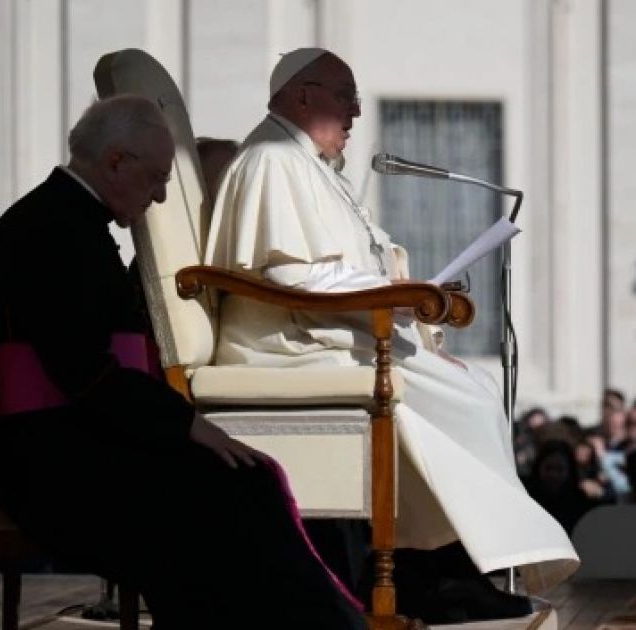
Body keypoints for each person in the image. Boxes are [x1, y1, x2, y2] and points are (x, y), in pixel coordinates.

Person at [0, 95, 365, 628]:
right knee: (226, 494)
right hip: (45, 456)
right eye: (155, 178)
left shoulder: (70, 221)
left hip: (73, 436)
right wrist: (187, 426)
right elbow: (88, 374)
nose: (158, 197)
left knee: (243, 482)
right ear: (114, 163)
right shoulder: (54, 232)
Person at [207, 47, 577, 622]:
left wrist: (403, 298)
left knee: (472, 389)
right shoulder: (273, 158)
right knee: (468, 403)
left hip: (326, 333)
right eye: (344, 96)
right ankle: (439, 574)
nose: (356, 111)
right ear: (303, 96)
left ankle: (446, 570)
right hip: (287, 345)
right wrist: (396, 298)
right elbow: (290, 275)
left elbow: (338, 268)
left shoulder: (307, 164)